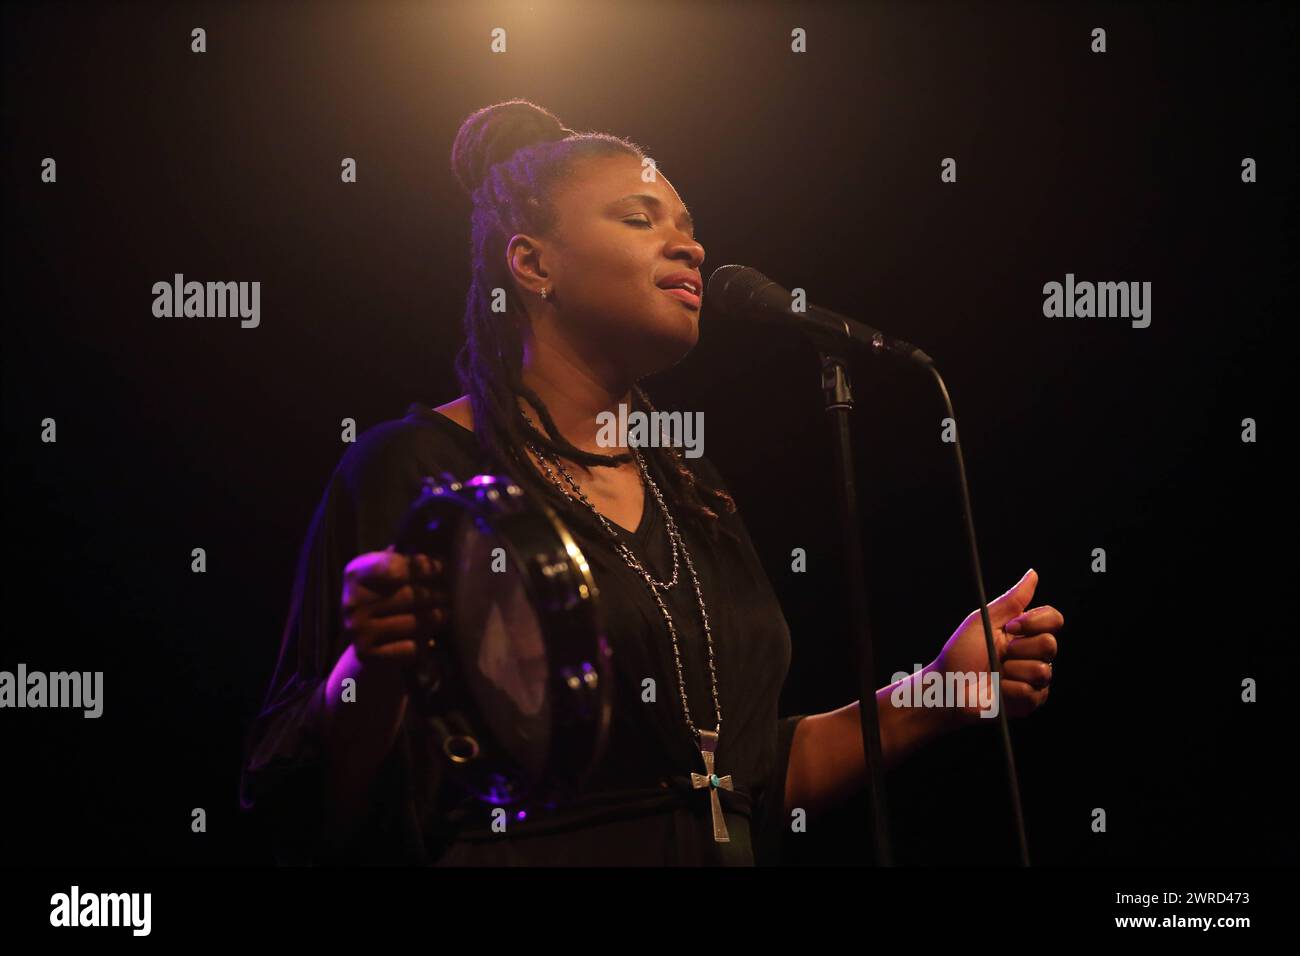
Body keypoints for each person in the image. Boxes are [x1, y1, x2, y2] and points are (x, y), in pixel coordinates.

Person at [238, 99, 1063, 866]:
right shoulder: (417, 469)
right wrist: (367, 674)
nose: (691, 246)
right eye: (640, 219)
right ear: (531, 264)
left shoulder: (691, 490)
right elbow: (308, 798)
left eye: (689, 228)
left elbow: (744, 779)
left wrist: (945, 691)